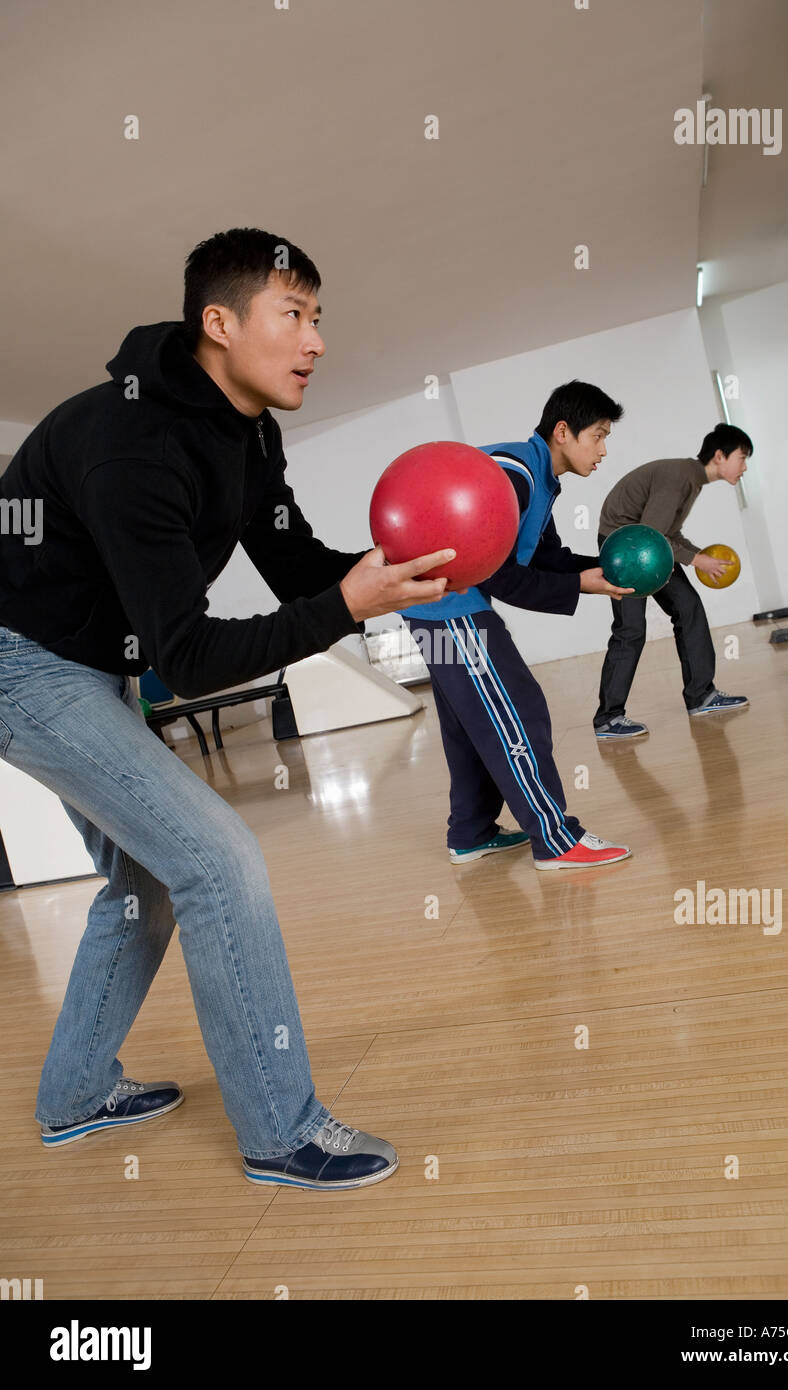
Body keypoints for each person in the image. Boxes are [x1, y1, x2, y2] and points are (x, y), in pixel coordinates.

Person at [0, 227, 453, 1190]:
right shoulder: (130, 444)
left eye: (317, 317)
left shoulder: (248, 435)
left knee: (149, 882)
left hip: (86, 663)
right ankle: (280, 1132)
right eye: (294, 315)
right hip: (22, 666)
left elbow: (296, 567)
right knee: (216, 860)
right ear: (219, 322)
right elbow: (192, 657)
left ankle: (74, 1094)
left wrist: (388, 577)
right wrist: (346, 608)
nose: (317, 340)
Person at [400, 381, 634, 871]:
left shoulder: (538, 479)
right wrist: (580, 588)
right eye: (599, 435)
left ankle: (471, 832)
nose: (604, 449)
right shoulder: (516, 475)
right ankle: (554, 838)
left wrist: (607, 568)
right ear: (564, 432)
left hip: (435, 608)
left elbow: (545, 558)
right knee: (518, 708)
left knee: (469, 724)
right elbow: (501, 575)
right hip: (448, 607)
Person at [593, 423, 752, 739]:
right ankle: (608, 719)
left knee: (688, 607)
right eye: (742, 457)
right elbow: (654, 534)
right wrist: (696, 559)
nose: (744, 466)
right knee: (631, 630)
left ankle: (701, 695)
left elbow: (667, 532)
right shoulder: (680, 477)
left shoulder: (692, 480)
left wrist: (697, 555)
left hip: (647, 546)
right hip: (626, 549)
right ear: (719, 456)